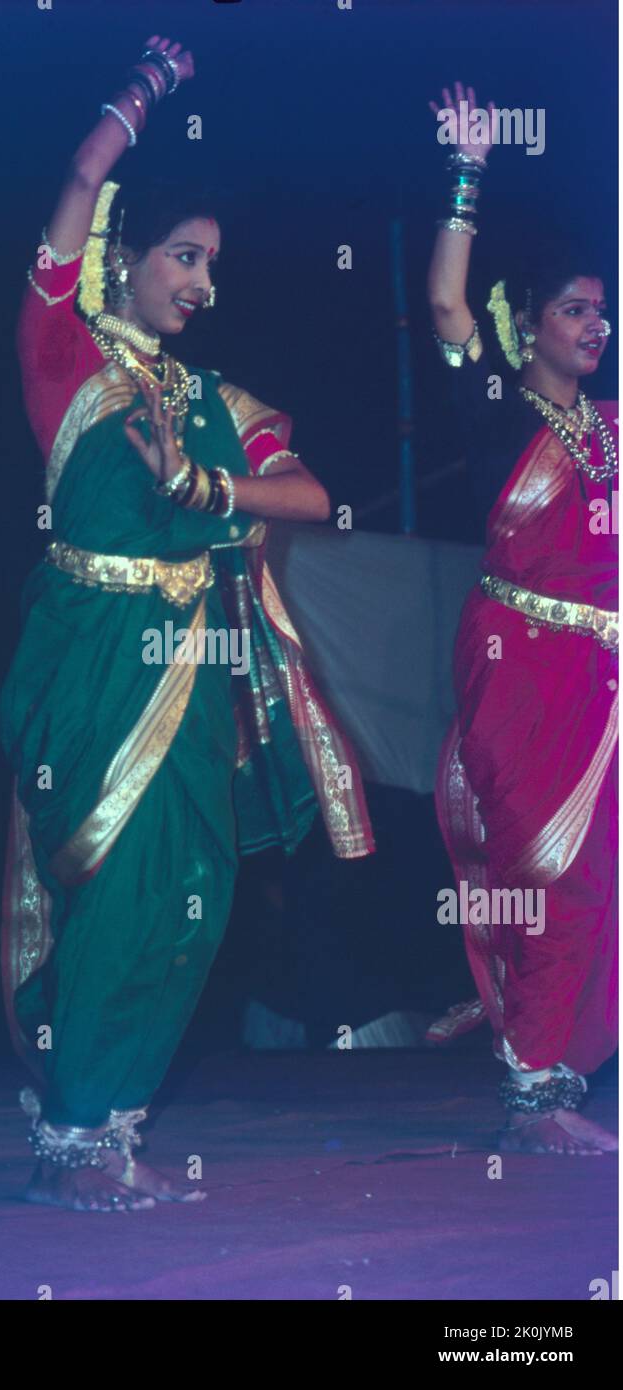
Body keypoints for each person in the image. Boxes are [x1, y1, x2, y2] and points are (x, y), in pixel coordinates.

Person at [0, 34, 374, 1212]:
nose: (202, 281)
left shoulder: (213, 400)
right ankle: (72, 1135)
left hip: (194, 658)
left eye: (212, 261)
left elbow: (310, 494)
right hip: (94, 646)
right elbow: (74, 185)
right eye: (183, 255)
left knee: (189, 888)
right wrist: (144, 91)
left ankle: (111, 1121)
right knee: (110, 881)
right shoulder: (66, 355)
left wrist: (204, 490)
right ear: (125, 253)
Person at [426, 83, 618, 1155]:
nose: (596, 327)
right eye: (574, 311)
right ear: (529, 324)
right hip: (517, 663)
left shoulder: (614, 428)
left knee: (600, 878)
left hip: (599, 677)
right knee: (542, 869)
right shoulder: (501, 411)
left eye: (604, 311)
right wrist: (469, 172)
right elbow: (448, 307)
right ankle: (531, 1087)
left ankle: (555, 1072)